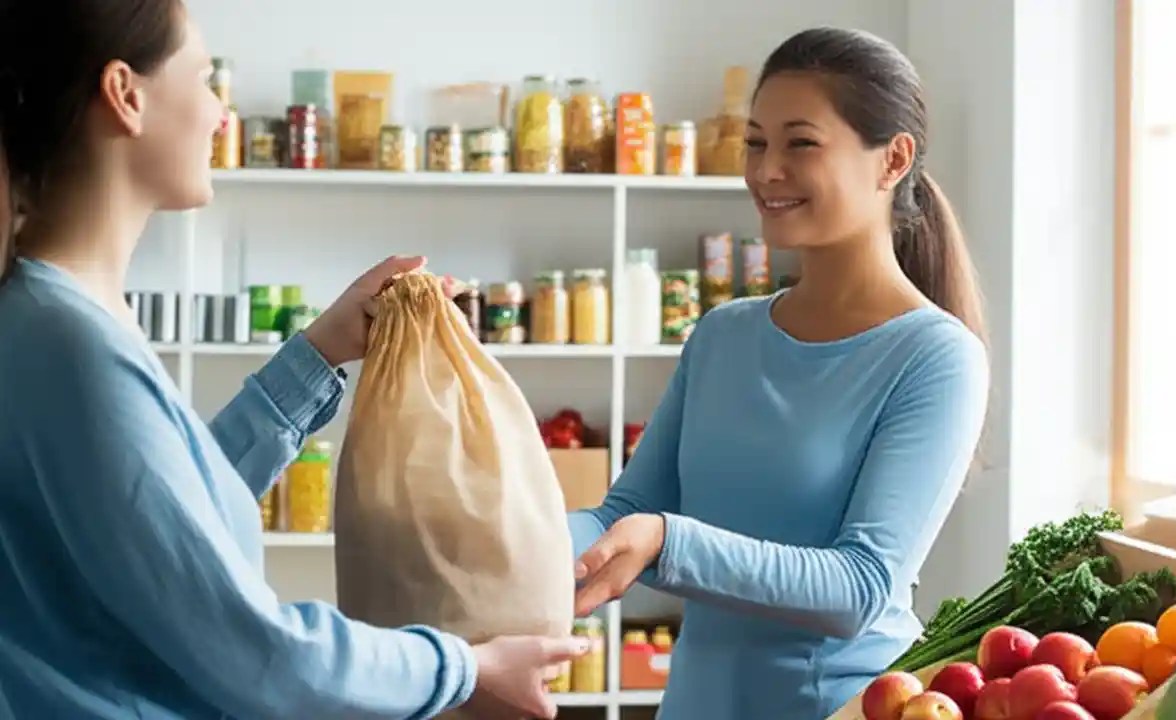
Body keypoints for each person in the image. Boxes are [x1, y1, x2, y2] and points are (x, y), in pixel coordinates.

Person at [0, 1, 583, 718]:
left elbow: (168, 522)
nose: (220, 112)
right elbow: (256, 653)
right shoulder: (71, 351)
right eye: (207, 79)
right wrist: (462, 666)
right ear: (126, 95)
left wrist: (320, 353)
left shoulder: (53, 316)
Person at [569, 26, 991, 719]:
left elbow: (860, 586)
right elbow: (622, 514)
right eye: (756, 142)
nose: (766, 170)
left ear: (893, 160)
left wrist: (670, 542)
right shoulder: (722, 334)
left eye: (801, 143)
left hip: (838, 707)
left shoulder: (935, 357)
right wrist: (508, 538)